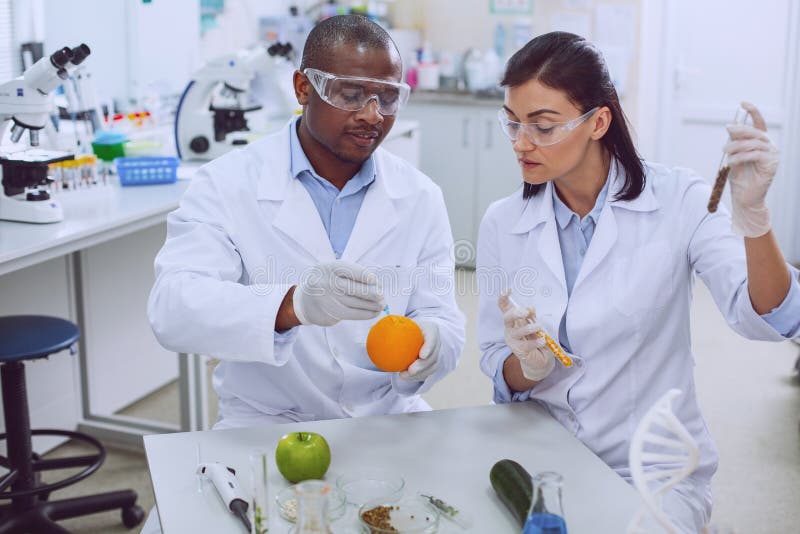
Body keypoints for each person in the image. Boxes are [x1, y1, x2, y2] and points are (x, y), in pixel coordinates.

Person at [477, 32, 799, 532]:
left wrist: (754, 217)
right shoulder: (503, 221)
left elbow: (768, 315)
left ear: (598, 121)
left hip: (651, 467)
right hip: (541, 457)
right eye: (513, 123)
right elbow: (499, 369)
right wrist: (529, 365)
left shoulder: (681, 201)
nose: (521, 143)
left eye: (542, 126)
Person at [148, 15, 464, 429]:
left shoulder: (420, 196)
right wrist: (291, 305)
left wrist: (434, 344)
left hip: (385, 419)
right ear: (303, 88)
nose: (372, 115)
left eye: (387, 98)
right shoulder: (226, 183)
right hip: (267, 420)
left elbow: (443, 316)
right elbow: (172, 308)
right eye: (351, 94)